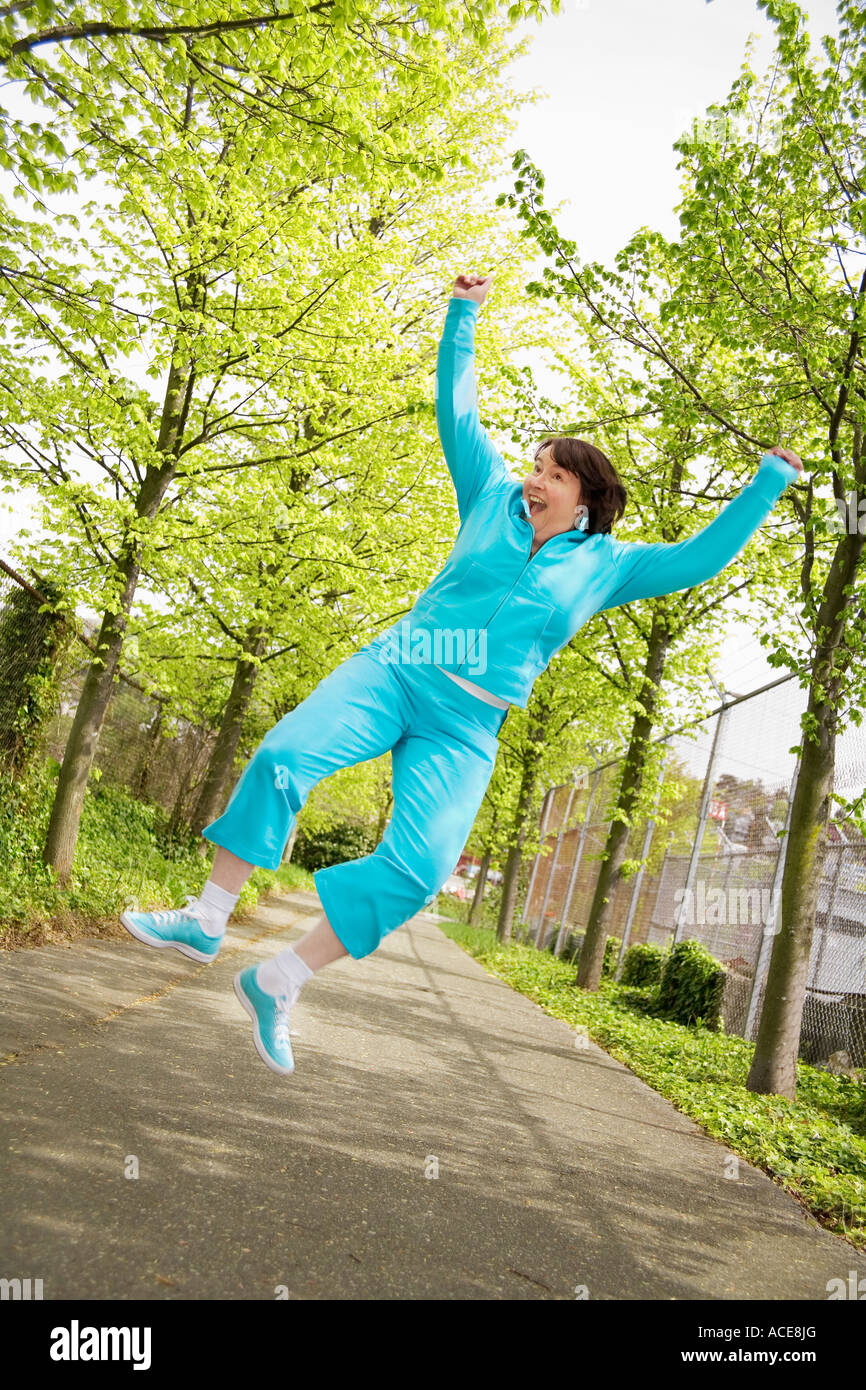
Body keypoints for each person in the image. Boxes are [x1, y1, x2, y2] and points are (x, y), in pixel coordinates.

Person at [121, 272, 803, 1076]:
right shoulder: (485, 494)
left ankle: (279, 978)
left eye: (552, 471)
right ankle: (207, 917)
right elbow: (460, 409)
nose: (534, 477)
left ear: (584, 498)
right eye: (535, 464)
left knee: (421, 870)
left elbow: (699, 559)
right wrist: (462, 316)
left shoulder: (609, 566)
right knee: (282, 755)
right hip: (400, 669)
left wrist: (769, 483)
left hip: (468, 723)